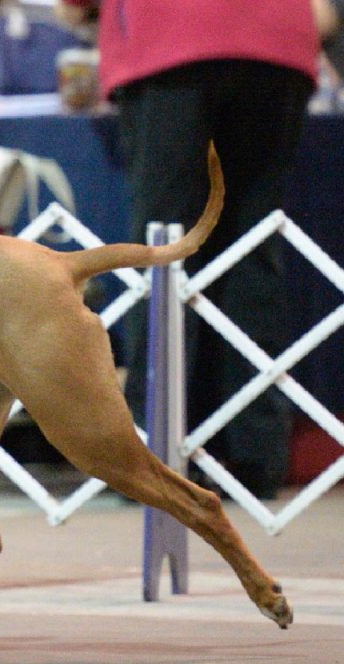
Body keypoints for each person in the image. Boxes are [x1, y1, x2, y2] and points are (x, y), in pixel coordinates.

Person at [57, 0, 319, 499]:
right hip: (278, 40)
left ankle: (150, 452)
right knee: (251, 248)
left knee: (165, 250)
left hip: (171, 37)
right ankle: (254, 455)